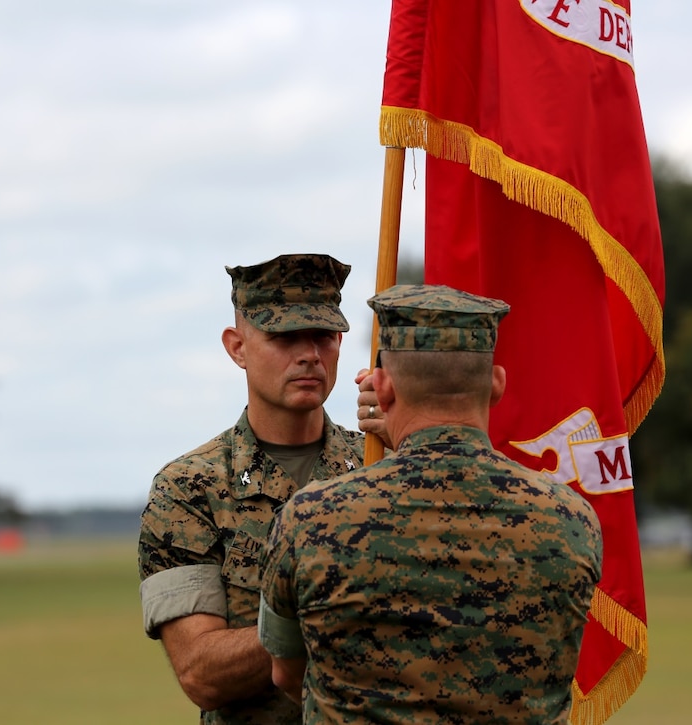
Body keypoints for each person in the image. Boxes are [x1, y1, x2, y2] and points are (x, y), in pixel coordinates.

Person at [257, 283, 603, 724]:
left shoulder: (310, 519)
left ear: (382, 388)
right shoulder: (570, 519)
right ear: (496, 384)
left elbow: (287, 671)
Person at [138, 253, 368, 724]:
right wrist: (331, 613)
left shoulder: (379, 466)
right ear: (237, 347)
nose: (309, 354)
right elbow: (202, 673)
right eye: (284, 337)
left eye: (323, 336)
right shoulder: (189, 489)